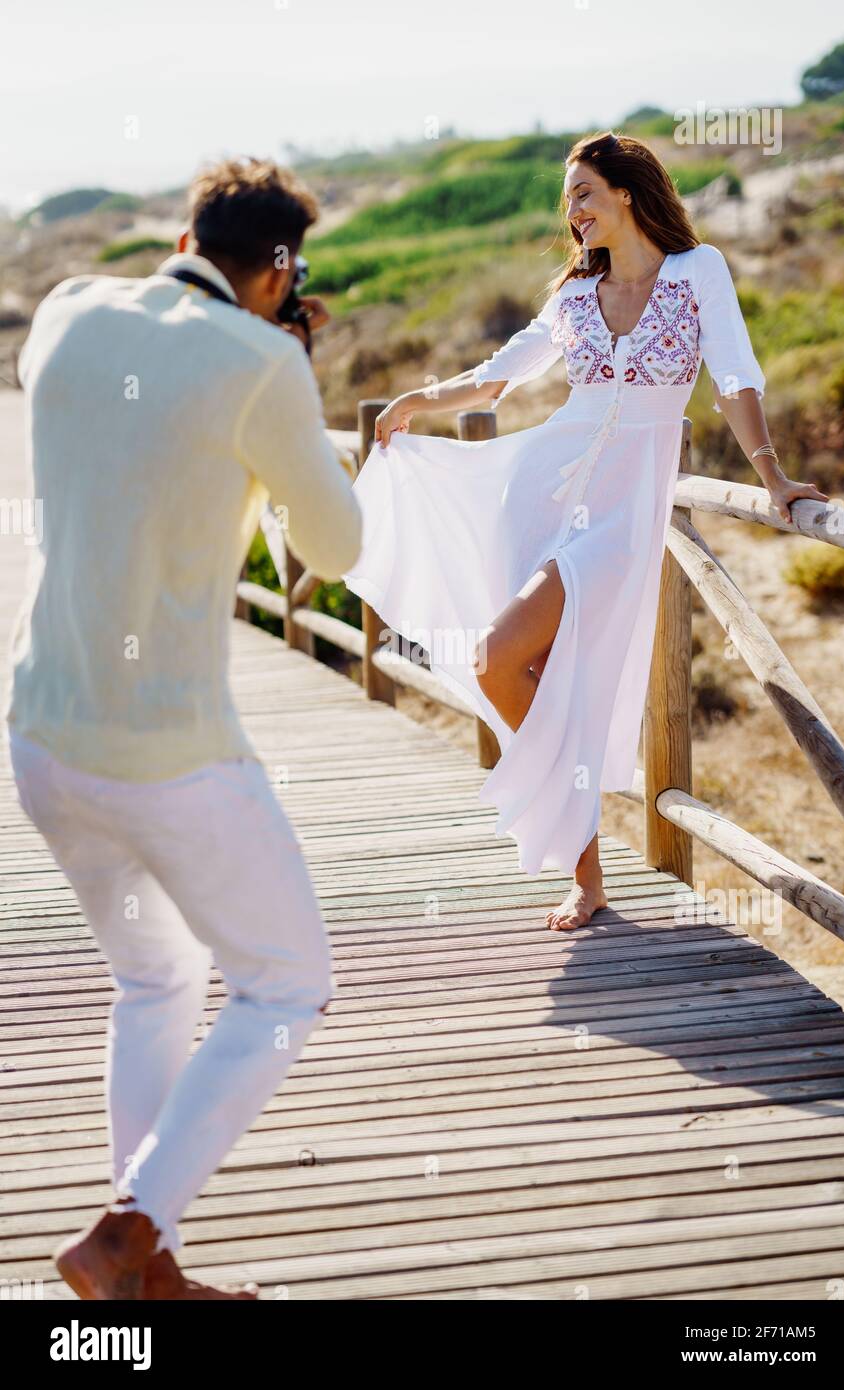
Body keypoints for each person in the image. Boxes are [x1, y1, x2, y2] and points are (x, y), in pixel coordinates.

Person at [5, 158, 362, 1299]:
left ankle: (145, 1266)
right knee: (285, 983)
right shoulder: (264, 359)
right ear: (277, 270)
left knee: (155, 978)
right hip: (170, 754)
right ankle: (127, 1230)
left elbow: (127, 377)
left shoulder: (66, 307)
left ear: (185, 234)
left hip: (44, 735)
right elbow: (336, 550)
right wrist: (288, 363)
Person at [342, 132, 828, 931]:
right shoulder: (573, 295)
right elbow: (501, 373)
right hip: (539, 490)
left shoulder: (696, 273)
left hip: (624, 513)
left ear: (628, 193)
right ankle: (587, 872)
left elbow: (734, 374)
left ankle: (571, 826)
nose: (573, 212)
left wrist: (773, 475)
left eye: (584, 194)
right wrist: (416, 402)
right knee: (505, 666)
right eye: (569, 198)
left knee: (506, 658)